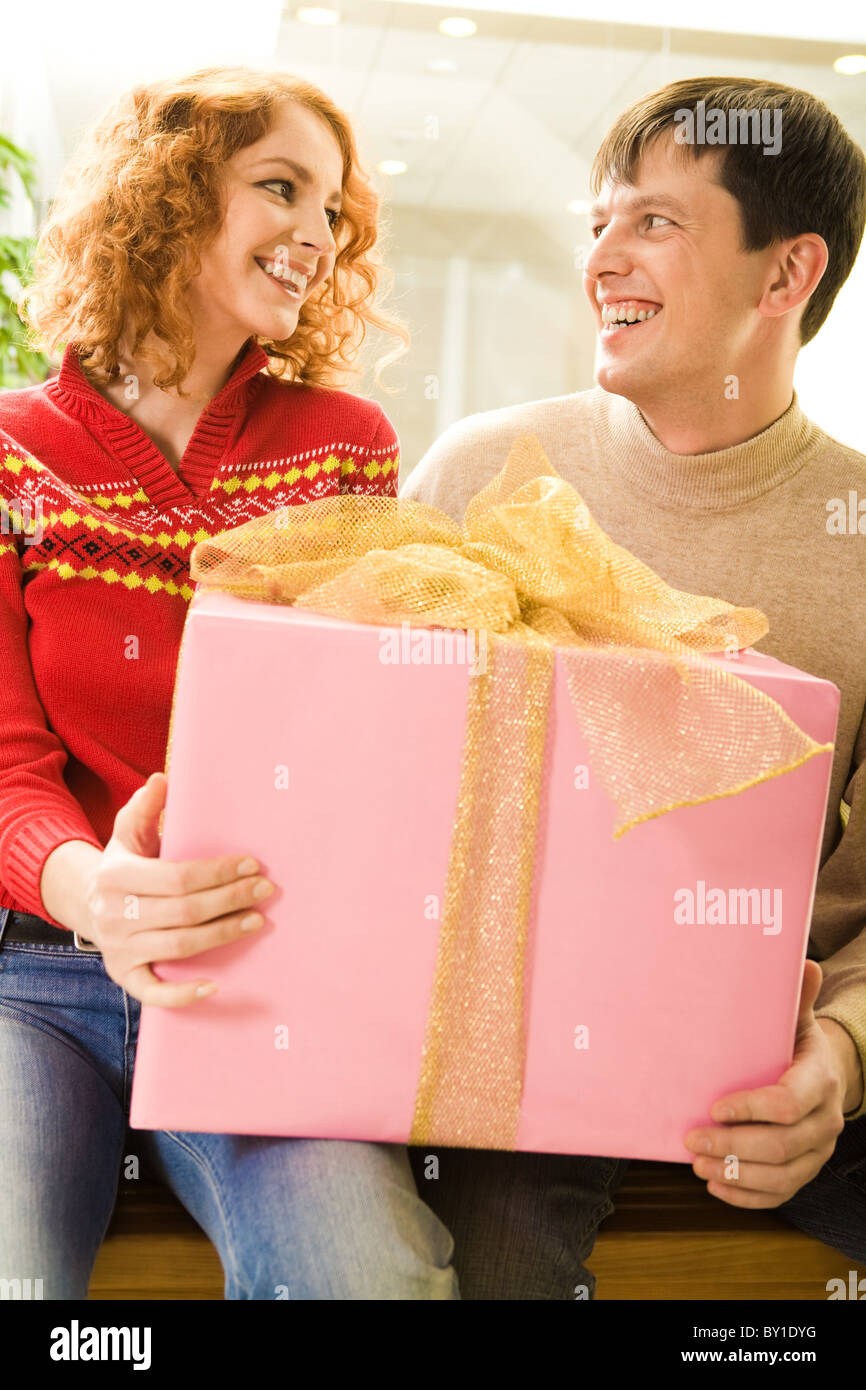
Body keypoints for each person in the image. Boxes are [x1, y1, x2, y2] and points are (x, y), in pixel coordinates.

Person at [401, 75, 866, 1300]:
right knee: (492, 1252)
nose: (601, 253)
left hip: (763, 1047)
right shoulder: (477, 469)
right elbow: (376, 782)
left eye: (653, 221)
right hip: (512, 1037)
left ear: (785, 275)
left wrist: (841, 1054)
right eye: (597, 220)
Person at [0, 65, 457, 1300]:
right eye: (280, 188)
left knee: (370, 1275)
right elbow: (4, 755)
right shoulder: (9, 446)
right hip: (33, 973)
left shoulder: (344, 443)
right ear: (165, 193)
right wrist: (94, 887)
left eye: (332, 213)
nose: (316, 235)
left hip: (262, 964)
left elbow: (370, 740)